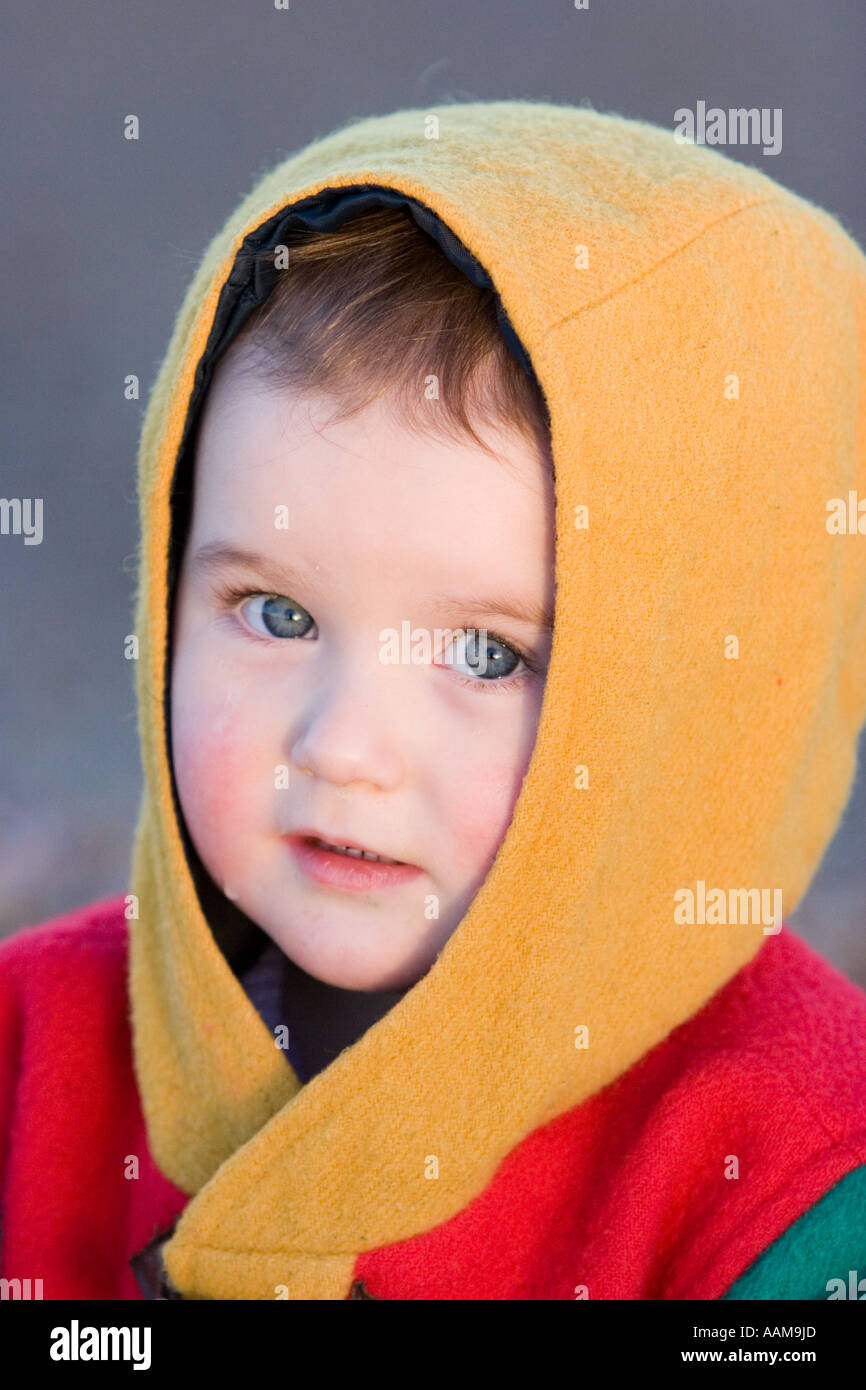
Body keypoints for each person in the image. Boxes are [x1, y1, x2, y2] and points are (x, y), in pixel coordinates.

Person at [2, 99, 866, 1301]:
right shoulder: (29, 1055)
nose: (345, 747)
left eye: (486, 655)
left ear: (694, 703)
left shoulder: (799, 1188)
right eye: (277, 615)